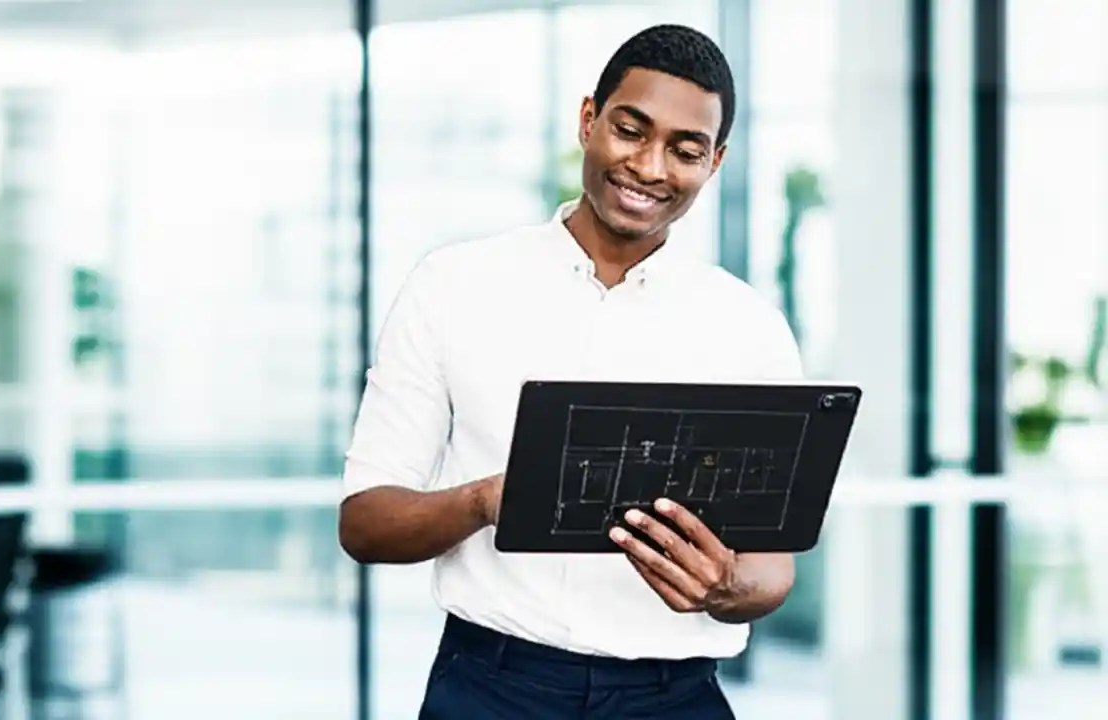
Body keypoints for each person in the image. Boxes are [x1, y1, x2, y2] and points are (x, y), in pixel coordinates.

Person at [339, 24, 802, 719]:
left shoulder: (749, 326)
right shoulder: (453, 285)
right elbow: (366, 522)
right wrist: (489, 500)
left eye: (685, 150)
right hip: (491, 687)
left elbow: (773, 572)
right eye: (630, 130)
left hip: (672, 699)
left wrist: (724, 583)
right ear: (588, 120)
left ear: (715, 162)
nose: (649, 167)